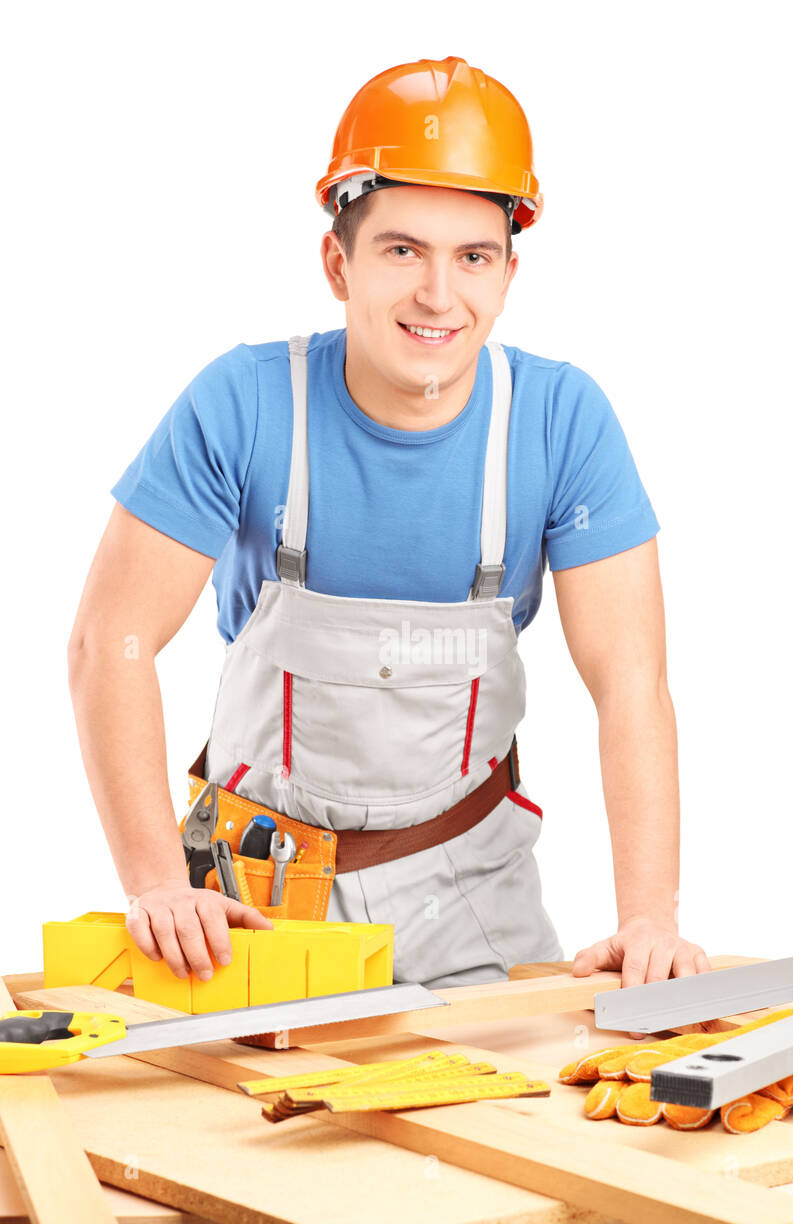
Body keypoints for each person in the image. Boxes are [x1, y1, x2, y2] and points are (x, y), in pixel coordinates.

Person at [68, 56, 710, 997]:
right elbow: (108, 643)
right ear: (340, 261)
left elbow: (633, 684)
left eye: (473, 257)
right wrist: (160, 886)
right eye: (403, 250)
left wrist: (650, 917)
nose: (439, 295)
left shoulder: (561, 421)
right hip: (250, 904)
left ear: (508, 271)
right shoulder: (245, 405)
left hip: (473, 897)